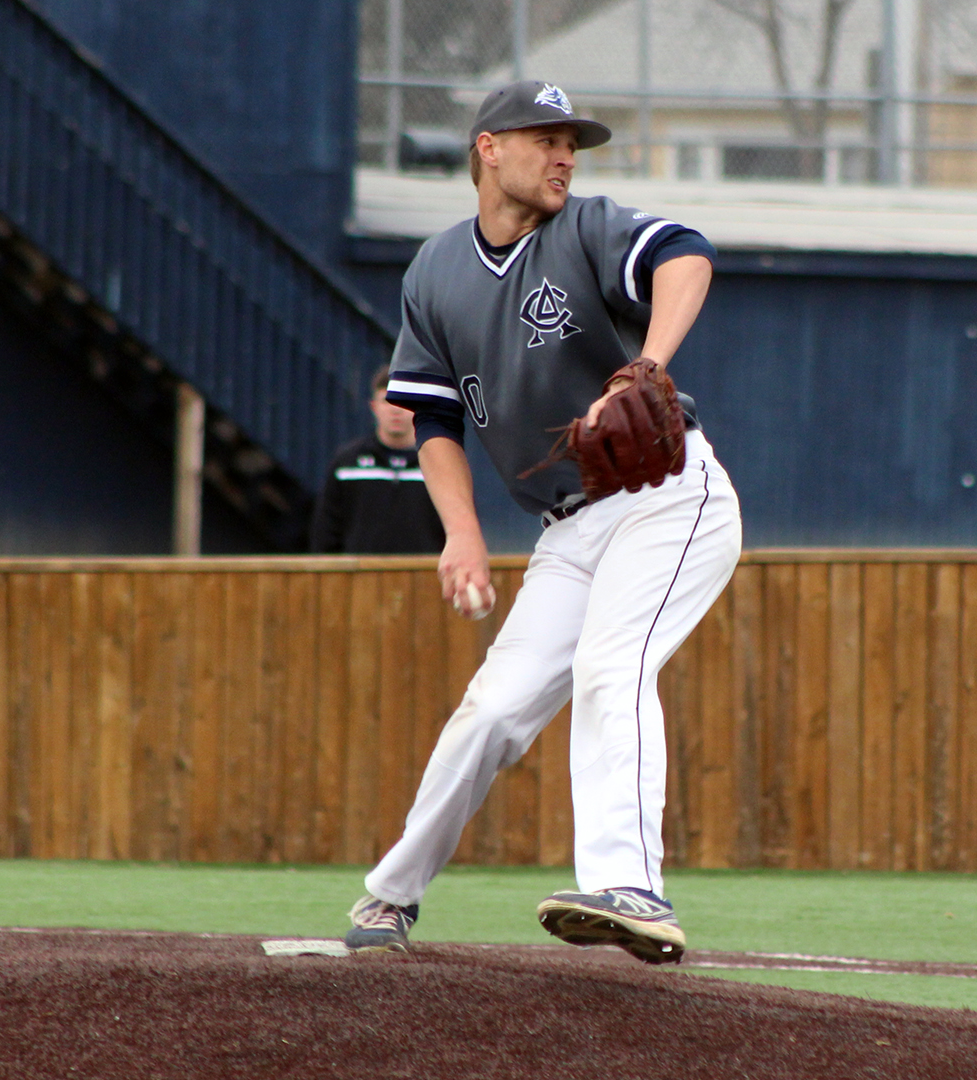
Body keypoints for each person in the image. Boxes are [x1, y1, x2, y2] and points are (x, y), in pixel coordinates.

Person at [342, 81, 741, 964]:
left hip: (668, 497)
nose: (565, 157)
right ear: (488, 148)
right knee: (490, 712)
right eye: (546, 139)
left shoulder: (585, 228)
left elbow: (687, 255)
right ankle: (389, 896)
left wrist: (647, 365)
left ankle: (631, 885)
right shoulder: (435, 270)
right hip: (567, 528)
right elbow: (432, 417)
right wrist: (463, 533)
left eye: (572, 144)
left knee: (611, 664)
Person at [309, 364, 447, 554]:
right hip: (360, 572)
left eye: (405, 402)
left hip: (423, 571)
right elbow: (325, 532)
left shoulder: (439, 465)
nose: (396, 410)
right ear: (373, 406)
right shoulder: (347, 465)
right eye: (387, 401)